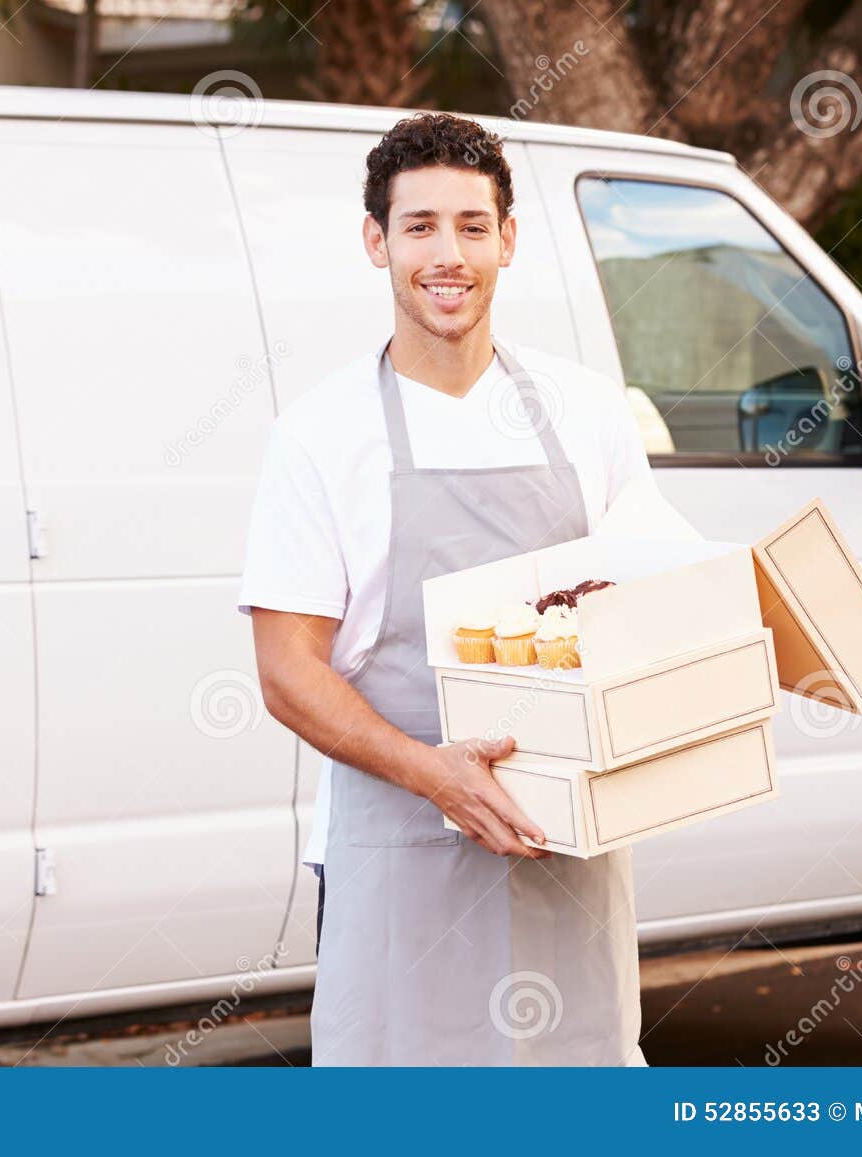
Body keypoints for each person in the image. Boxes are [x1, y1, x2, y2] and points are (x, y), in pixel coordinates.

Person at [237, 112, 660, 1066]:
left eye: (473, 225)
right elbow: (283, 669)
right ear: (377, 242)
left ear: (508, 241)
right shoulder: (319, 436)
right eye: (420, 225)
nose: (448, 254)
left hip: (568, 850)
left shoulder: (588, 414)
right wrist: (437, 776)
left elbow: (646, 604)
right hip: (397, 853)